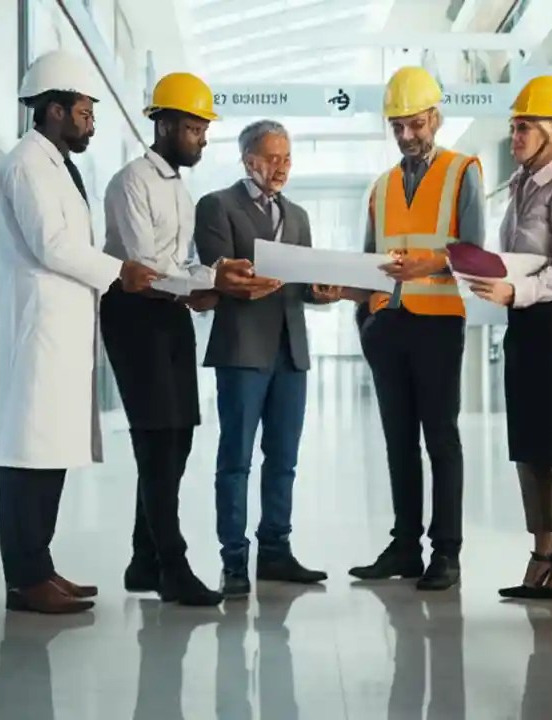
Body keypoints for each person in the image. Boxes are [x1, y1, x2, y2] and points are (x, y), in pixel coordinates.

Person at [101, 72, 279, 607]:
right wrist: (206, 280)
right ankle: (172, 565)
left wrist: (212, 282)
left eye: (204, 128)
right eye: (194, 127)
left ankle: (143, 559)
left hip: (171, 314)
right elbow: (144, 270)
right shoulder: (131, 181)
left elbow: (180, 268)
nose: (203, 137)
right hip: (134, 315)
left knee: (176, 439)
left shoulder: (179, 188)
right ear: (164, 124)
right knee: (156, 443)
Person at [0, 50, 162, 615]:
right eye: (85, 110)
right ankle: (24, 579)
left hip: (64, 329)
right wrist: (121, 272)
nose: (92, 120)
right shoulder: (25, 162)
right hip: (40, 328)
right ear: (55, 110)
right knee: (27, 456)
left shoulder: (58, 164)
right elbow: (53, 246)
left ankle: (40, 567)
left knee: (51, 451)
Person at [344, 66, 486, 591]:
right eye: (397, 126)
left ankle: (445, 552)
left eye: (415, 124)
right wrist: (357, 304)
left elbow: (475, 255)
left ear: (436, 118)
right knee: (397, 441)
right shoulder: (380, 187)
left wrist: (430, 265)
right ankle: (405, 546)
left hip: (438, 325)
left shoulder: (462, 170)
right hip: (388, 327)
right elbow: (367, 259)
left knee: (441, 440)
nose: (406, 135)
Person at [465, 75, 552, 600]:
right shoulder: (519, 187)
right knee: (528, 438)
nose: (514, 136)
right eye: (514, 126)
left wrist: (515, 290)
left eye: (525, 127)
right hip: (524, 322)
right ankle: (543, 547)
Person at [194, 120, 340, 597]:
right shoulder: (217, 206)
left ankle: (275, 551)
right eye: (271, 158)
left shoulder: (297, 216)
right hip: (242, 350)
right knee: (235, 459)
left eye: (287, 159)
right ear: (247, 160)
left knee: (284, 459)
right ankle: (234, 560)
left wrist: (324, 291)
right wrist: (241, 279)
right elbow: (220, 275)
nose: (281, 168)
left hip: (289, 351)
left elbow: (303, 285)